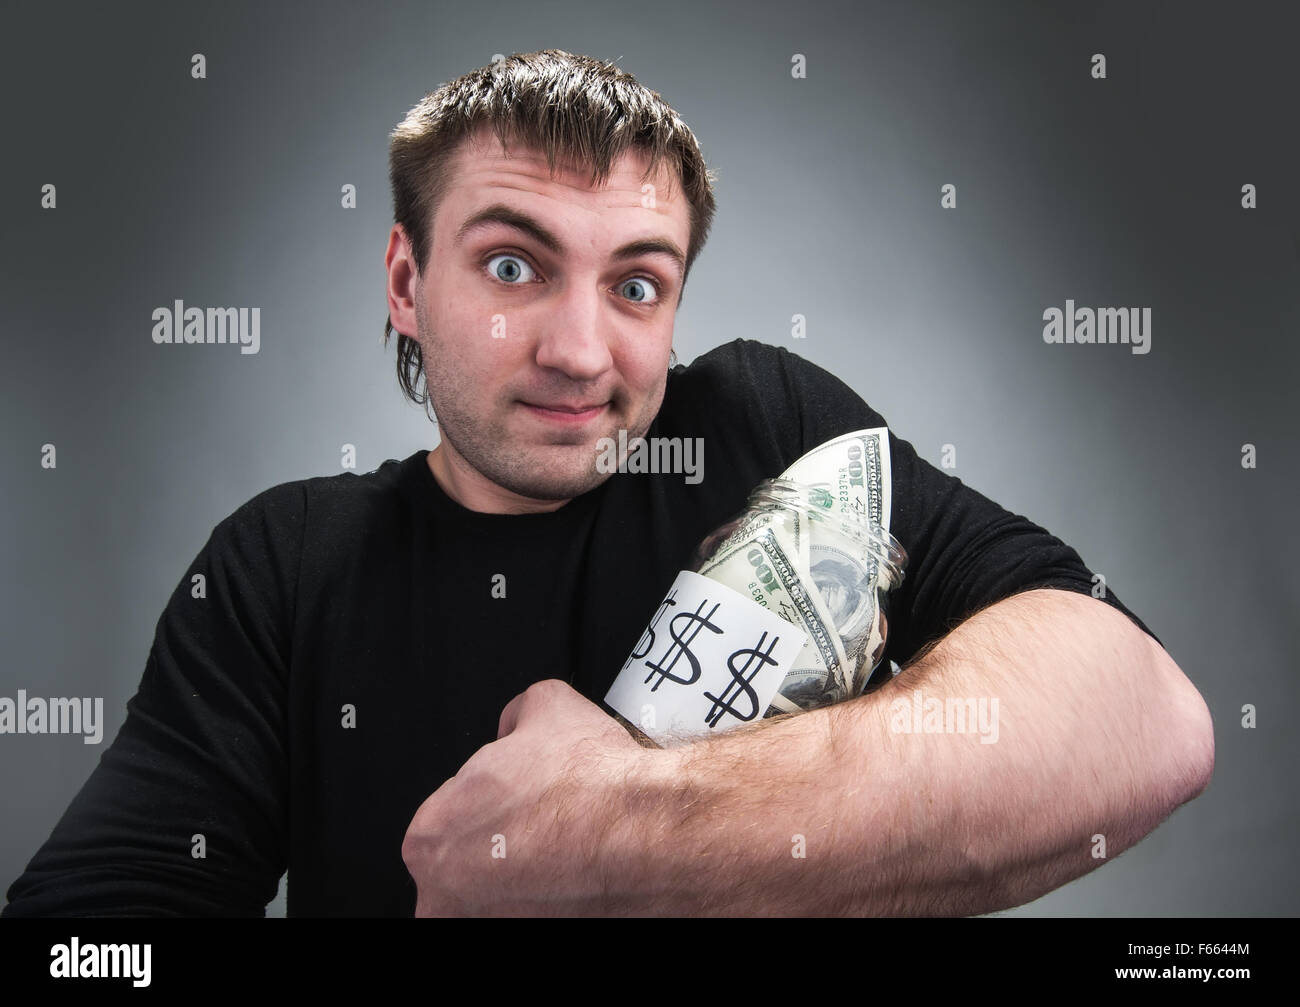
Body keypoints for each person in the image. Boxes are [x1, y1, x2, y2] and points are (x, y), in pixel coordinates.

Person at [3, 49, 1213, 918]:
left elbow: (1142, 718)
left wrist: (611, 833)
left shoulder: (765, 430)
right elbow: (84, 947)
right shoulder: (286, 559)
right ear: (405, 282)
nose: (581, 351)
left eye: (637, 283)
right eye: (514, 264)